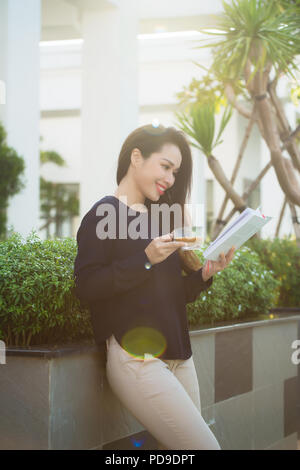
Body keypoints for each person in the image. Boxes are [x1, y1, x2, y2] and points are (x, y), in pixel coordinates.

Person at [73, 124, 235, 450]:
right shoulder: (103, 215)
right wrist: (145, 258)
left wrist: (205, 274)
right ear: (136, 157)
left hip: (180, 357)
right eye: (165, 166)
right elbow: (87, 286)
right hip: (138, 360)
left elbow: (173, 295)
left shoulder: (160, 219)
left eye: (175, 171)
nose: (171, 179)